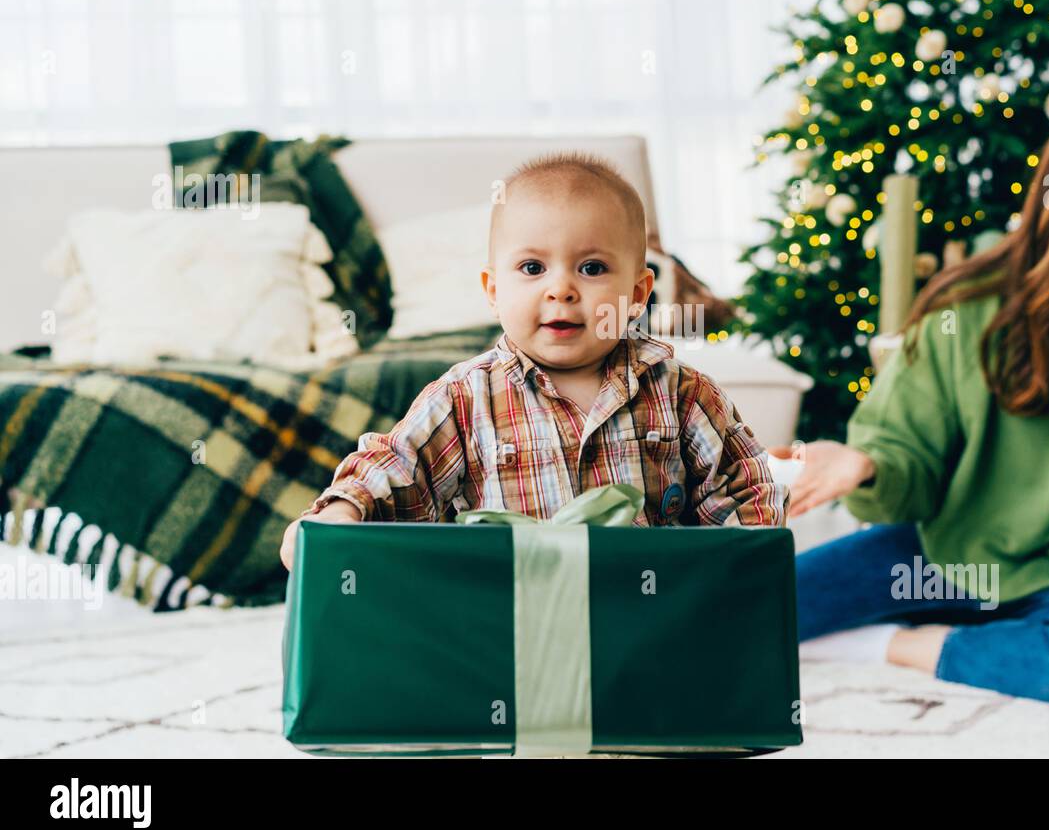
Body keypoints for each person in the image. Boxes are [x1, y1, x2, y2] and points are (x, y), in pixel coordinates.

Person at [774, 101, 1049, 711]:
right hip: (946, 553)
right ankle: (997, 640)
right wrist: (868, 463)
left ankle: (907, 647)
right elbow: (907, 453)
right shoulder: (970, 304)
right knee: (755, 607)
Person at [281, 152, 784, 572]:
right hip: (508, 621)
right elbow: (396, 465)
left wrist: (736, 569)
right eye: (532, 267)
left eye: (591, 268)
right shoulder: (464, 398)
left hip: (650, 616)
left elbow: (743, 483)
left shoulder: (682, 392)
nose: (560, 289)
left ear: (636, 294)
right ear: (494, 292)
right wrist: (343, 510)